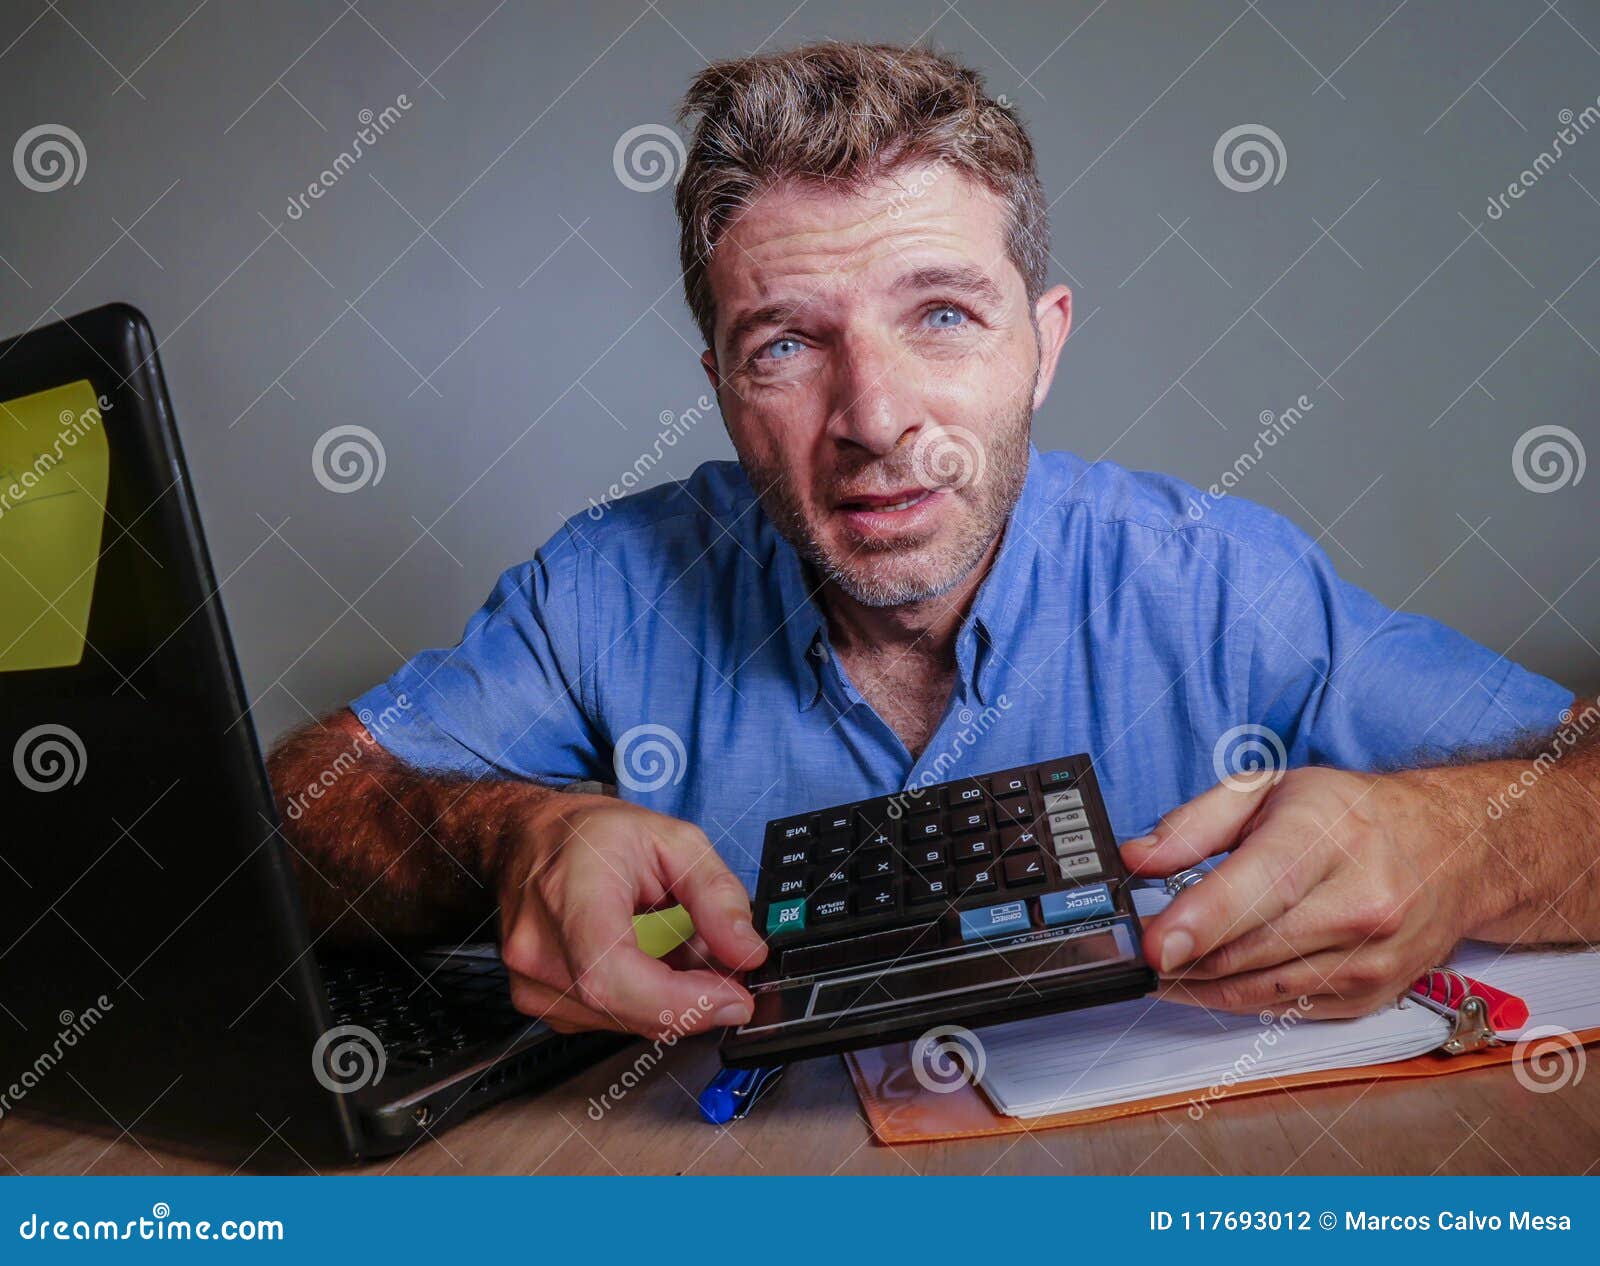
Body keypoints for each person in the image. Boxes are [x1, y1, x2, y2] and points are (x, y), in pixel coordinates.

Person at [269, 41, 1595, 1041]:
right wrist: (512, 832)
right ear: (724, 385)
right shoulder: (605, 591)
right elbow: (294, 817)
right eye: (786, 344)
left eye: (945, 315)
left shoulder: (1222, 585)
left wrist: (1460, 840)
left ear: (1046, 342)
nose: (876, 417)